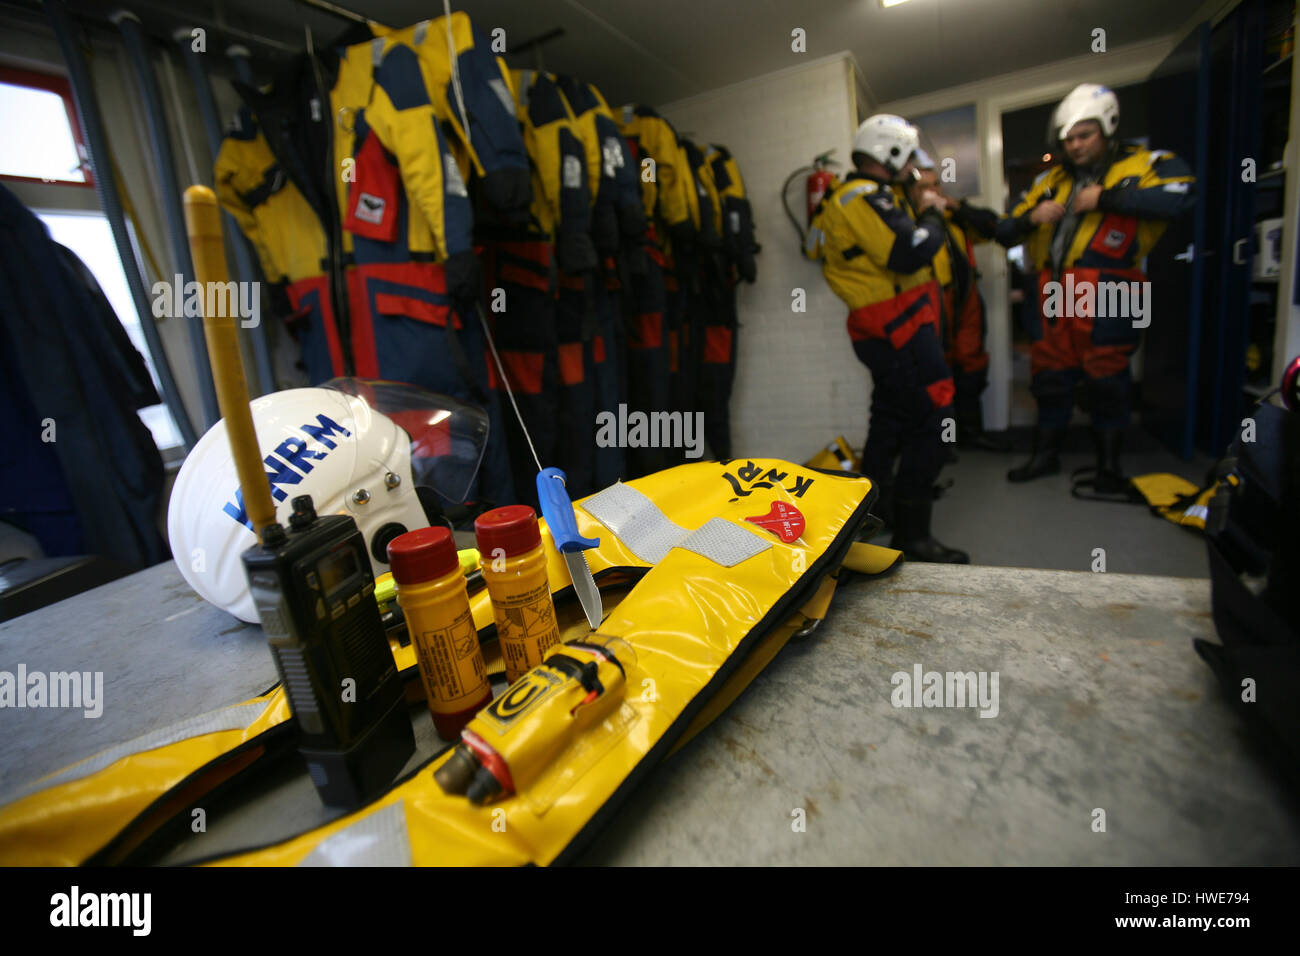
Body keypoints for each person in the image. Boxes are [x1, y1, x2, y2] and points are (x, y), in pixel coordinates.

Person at [989, 84, 1196, 493]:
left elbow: (1182, 200)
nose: (1075, 145)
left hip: (1112, 286)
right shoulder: (1048, 180)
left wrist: (1107, 198)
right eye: (1068, 139)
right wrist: (1032, 217)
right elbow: (1002, 230)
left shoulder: (1151, 163)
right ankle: (1044, 458)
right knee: (1049, 377)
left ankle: (1109, 470)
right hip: (1052, 290)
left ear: (1107, 128)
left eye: (1084, 135)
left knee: (1107, 380)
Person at [806, 114, 969, 563]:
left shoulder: (852, 197)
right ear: (889, 153)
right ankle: (914, 540)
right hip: (899, 330)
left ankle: (878, 512)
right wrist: (933, 214)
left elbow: (819, 247)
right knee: (934, 421)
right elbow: (908, 252)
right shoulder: (863, 197)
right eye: (907, 154)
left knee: (891, 420)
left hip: (888, 329)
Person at [898, 153, 1010, 453]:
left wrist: (954, 205)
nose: (932, 192)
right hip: (929, 302)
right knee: (935, 371)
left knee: (972, 362)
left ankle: (971, 433)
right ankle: (941, 442)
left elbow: (993, 227)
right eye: (924, 187)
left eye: (936, 186)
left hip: (965, 298)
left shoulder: (954, 217)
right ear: (911, 190)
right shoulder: (906, 222)